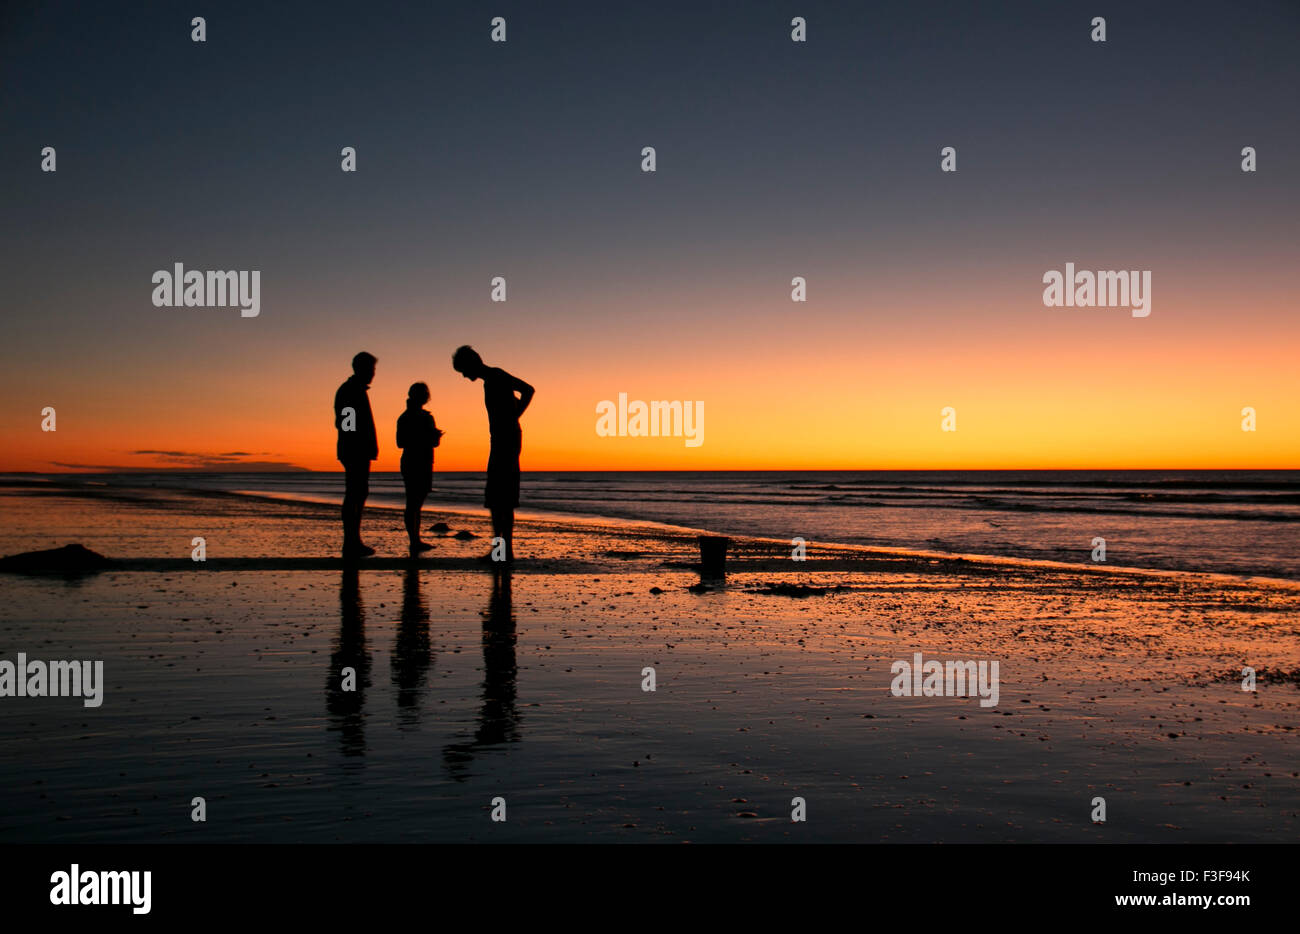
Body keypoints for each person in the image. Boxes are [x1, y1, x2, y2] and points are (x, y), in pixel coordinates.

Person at [451, 345, 533, 562]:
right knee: (500, 498)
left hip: (506, 440)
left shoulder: (496, 375)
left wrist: (515, 415)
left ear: (472, 363)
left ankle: (502, 551)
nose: (465, 376)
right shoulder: (491, 380)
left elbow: (528, 389)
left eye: (463, 371)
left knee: (500, 498)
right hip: (502, 439)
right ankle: (502, 550)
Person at [333, 352, 379, 558]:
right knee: (355, 493)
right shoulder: (350, 391)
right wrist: (359, 444)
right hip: (354, 450)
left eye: (373, 370)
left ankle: (353, 540)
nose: (372, 374)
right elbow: (346, 424)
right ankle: (351, 541)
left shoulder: (356, 390)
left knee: (358, 493)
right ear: (360, 369)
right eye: (371, 369)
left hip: (357, 449)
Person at [396, 381, 443, 554]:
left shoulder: (423, 416)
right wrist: (426, 437)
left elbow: (433, 444)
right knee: (413, 503)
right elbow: (400, 442)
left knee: (416, 503)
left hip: (422, 462)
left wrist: (435, 437)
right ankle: (414, 540)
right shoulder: (409, 417)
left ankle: (415, 539)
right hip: (414, 461)